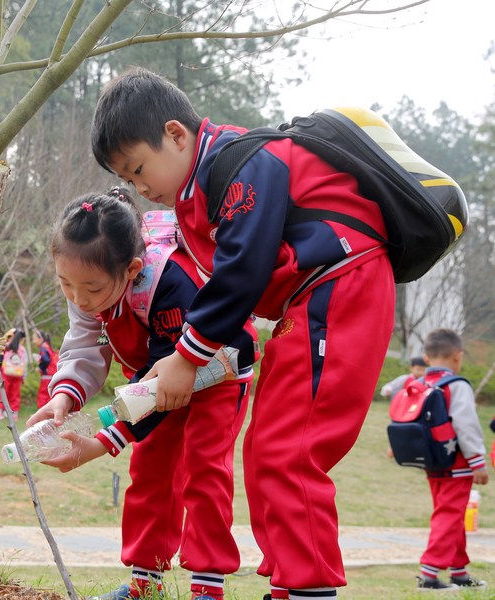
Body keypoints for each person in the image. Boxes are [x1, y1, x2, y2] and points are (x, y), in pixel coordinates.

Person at [91, 67, 396, 600]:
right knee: (264, 450)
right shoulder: (198, 193)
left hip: (341, 285)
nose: (140, 188)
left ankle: (307, 589)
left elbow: (242, 269)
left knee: (289, 451)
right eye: (128, 179)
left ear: (176, 135)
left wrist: (187, 355)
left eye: (139, 169)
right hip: (307, 304)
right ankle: (292, 585)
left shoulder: (241, 163)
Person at [29, 189, 257, 600]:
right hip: (153, 379)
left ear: (132, 269)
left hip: (215, 370)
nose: (80, 299)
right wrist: (64, 396)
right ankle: (144, 586)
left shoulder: (168, 285)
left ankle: (208, 587)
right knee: (149, 473)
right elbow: (84, 345)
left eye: (91, 289)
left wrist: (103, 442)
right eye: (66, 284)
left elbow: (166, 390)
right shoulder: (91, 286)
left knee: (204, 472)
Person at [413, 329, 488, 591]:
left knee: (451, 515)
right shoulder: (457, 385)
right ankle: (429, 575)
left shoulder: (421, 383)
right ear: (458, 357)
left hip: (432, 462)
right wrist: (478, 462)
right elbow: (467, 426)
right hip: (457, 464)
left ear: (426, 357)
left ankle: (459, 572)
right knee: (448, 515)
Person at [0, 328, 28, 420]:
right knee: (15, 394)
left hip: (6, 373)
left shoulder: (7, 346)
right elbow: (24, 363)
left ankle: (0, 412)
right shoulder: (22, 349)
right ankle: (14, 414)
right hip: (18, 375)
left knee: (3, 392)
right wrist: (24, 376)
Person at [32, 329, 57, 409]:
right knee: (50, 395)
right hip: (52, 375)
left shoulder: (43, 348)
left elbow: (46, 360)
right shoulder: (47, 347)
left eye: (34, 339)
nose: (33, 341)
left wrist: (40, 367)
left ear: (41, 339)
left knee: (43, 395)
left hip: (47, 376)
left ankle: (42, 413)